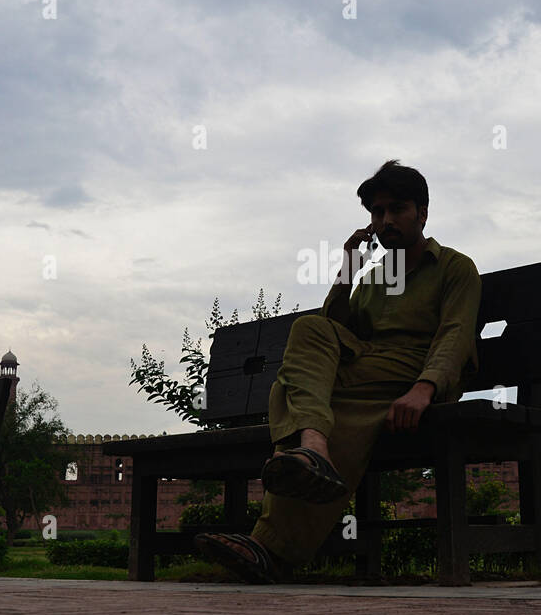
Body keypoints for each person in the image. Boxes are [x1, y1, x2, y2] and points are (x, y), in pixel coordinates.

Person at [194, 160, 482, 583]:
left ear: (422, 212)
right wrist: (348, 268)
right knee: (306, 337)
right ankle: (311, 450)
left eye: (397, 209)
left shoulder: (455, 268)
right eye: (377, 213)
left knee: (287, 390)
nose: (385, 221)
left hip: (412, 373)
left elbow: (456, 334)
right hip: (366, 374)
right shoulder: (373, 277)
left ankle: (274, 538)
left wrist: (424, 388)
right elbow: (332, 332)